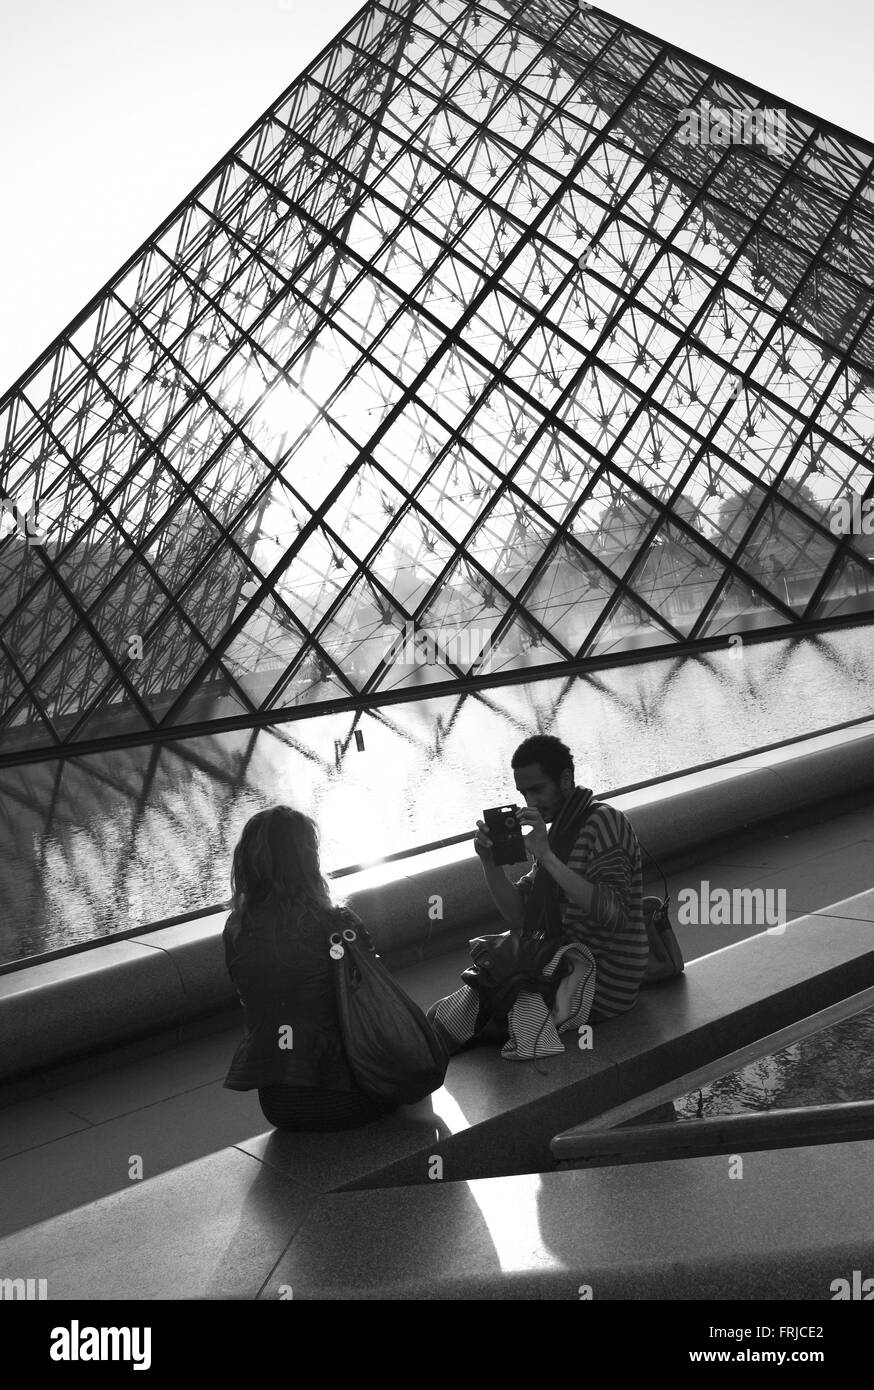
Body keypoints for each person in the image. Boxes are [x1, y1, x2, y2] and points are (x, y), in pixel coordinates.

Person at [428, 735, 649, 1055]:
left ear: (566, 779)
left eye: (538, 790)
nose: (530, 802)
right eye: (523, 793)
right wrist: (489, 864)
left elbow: (614, 913)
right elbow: (520, 917)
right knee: (443, 1014)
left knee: (459, 1022)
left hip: (603, 981)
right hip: (561, 968)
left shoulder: (604, 821)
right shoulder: (558, 831)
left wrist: (547, 857)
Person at [222, 805, 395, 1131]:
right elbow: (380, 1003)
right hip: (352, 1093)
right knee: (422, 1061)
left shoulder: (236, 928)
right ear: (308, 861)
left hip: (278, 1104)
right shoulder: (337, 924)